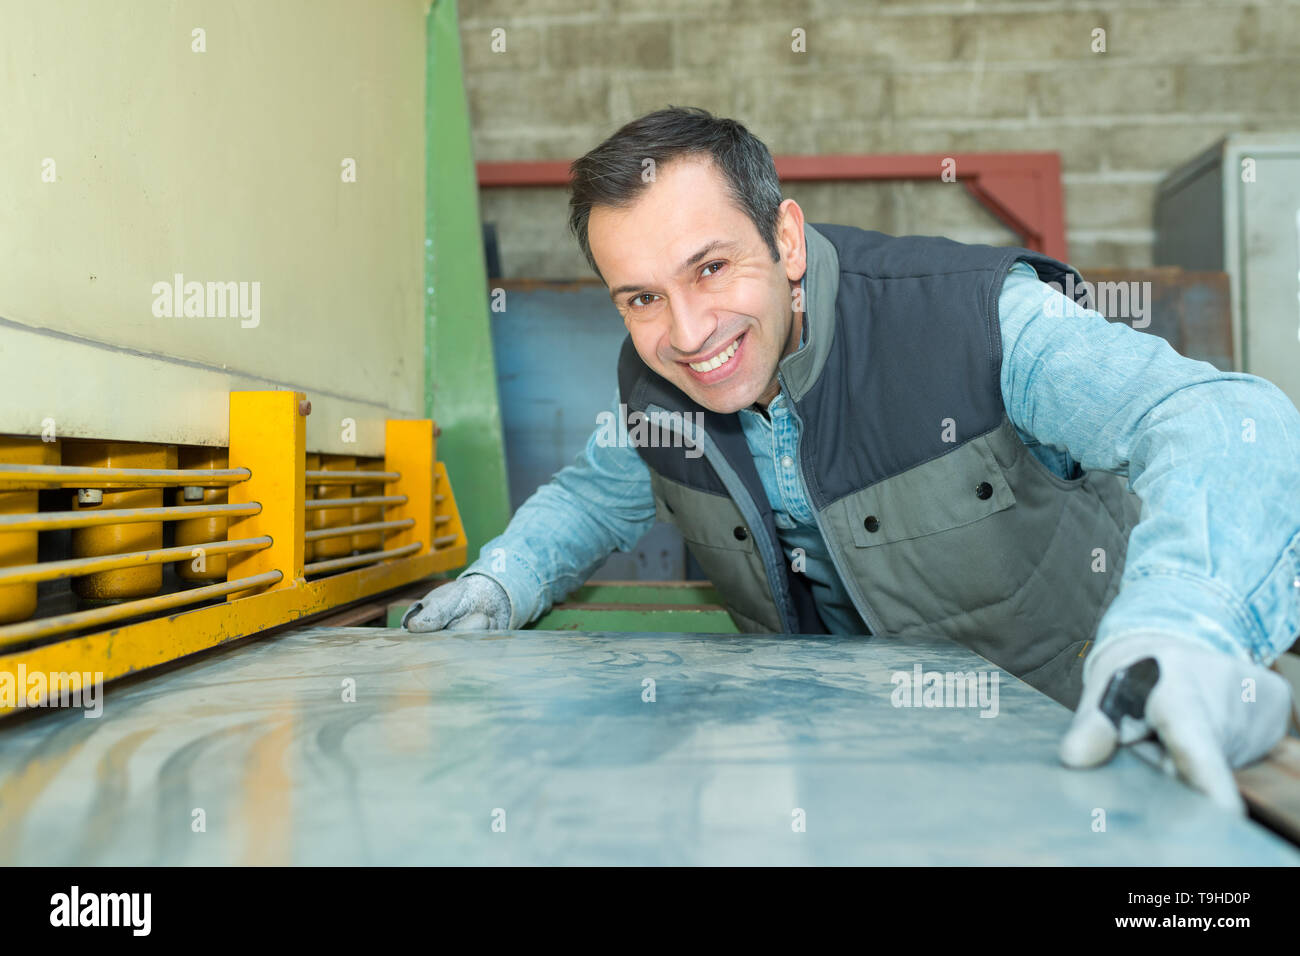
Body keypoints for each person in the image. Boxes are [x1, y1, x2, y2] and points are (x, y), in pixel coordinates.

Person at [405, 107, 1299, 812]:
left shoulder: (974, 322)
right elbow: (594, 497)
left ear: (785, 241)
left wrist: (1181, 629)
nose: (686, 333)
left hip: (1082, 758)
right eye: (641, 297)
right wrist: (500, 583)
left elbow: (1220, 417)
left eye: (711, 268)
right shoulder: (654, 390)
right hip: (848, 784)